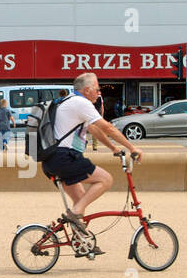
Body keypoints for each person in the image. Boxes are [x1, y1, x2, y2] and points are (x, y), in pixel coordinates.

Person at [41, 73, 143, 244]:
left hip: (53, 159)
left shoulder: (69, 101)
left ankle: (82, 241)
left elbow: (94, 129)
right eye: (97, 89)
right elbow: (108, 127)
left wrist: (113, 148)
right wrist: (132, 147)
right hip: (65, 157)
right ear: (87, 90)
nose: (99, 93)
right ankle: (73, 215)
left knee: (80, 199)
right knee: (105, 180)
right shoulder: (81, 103)